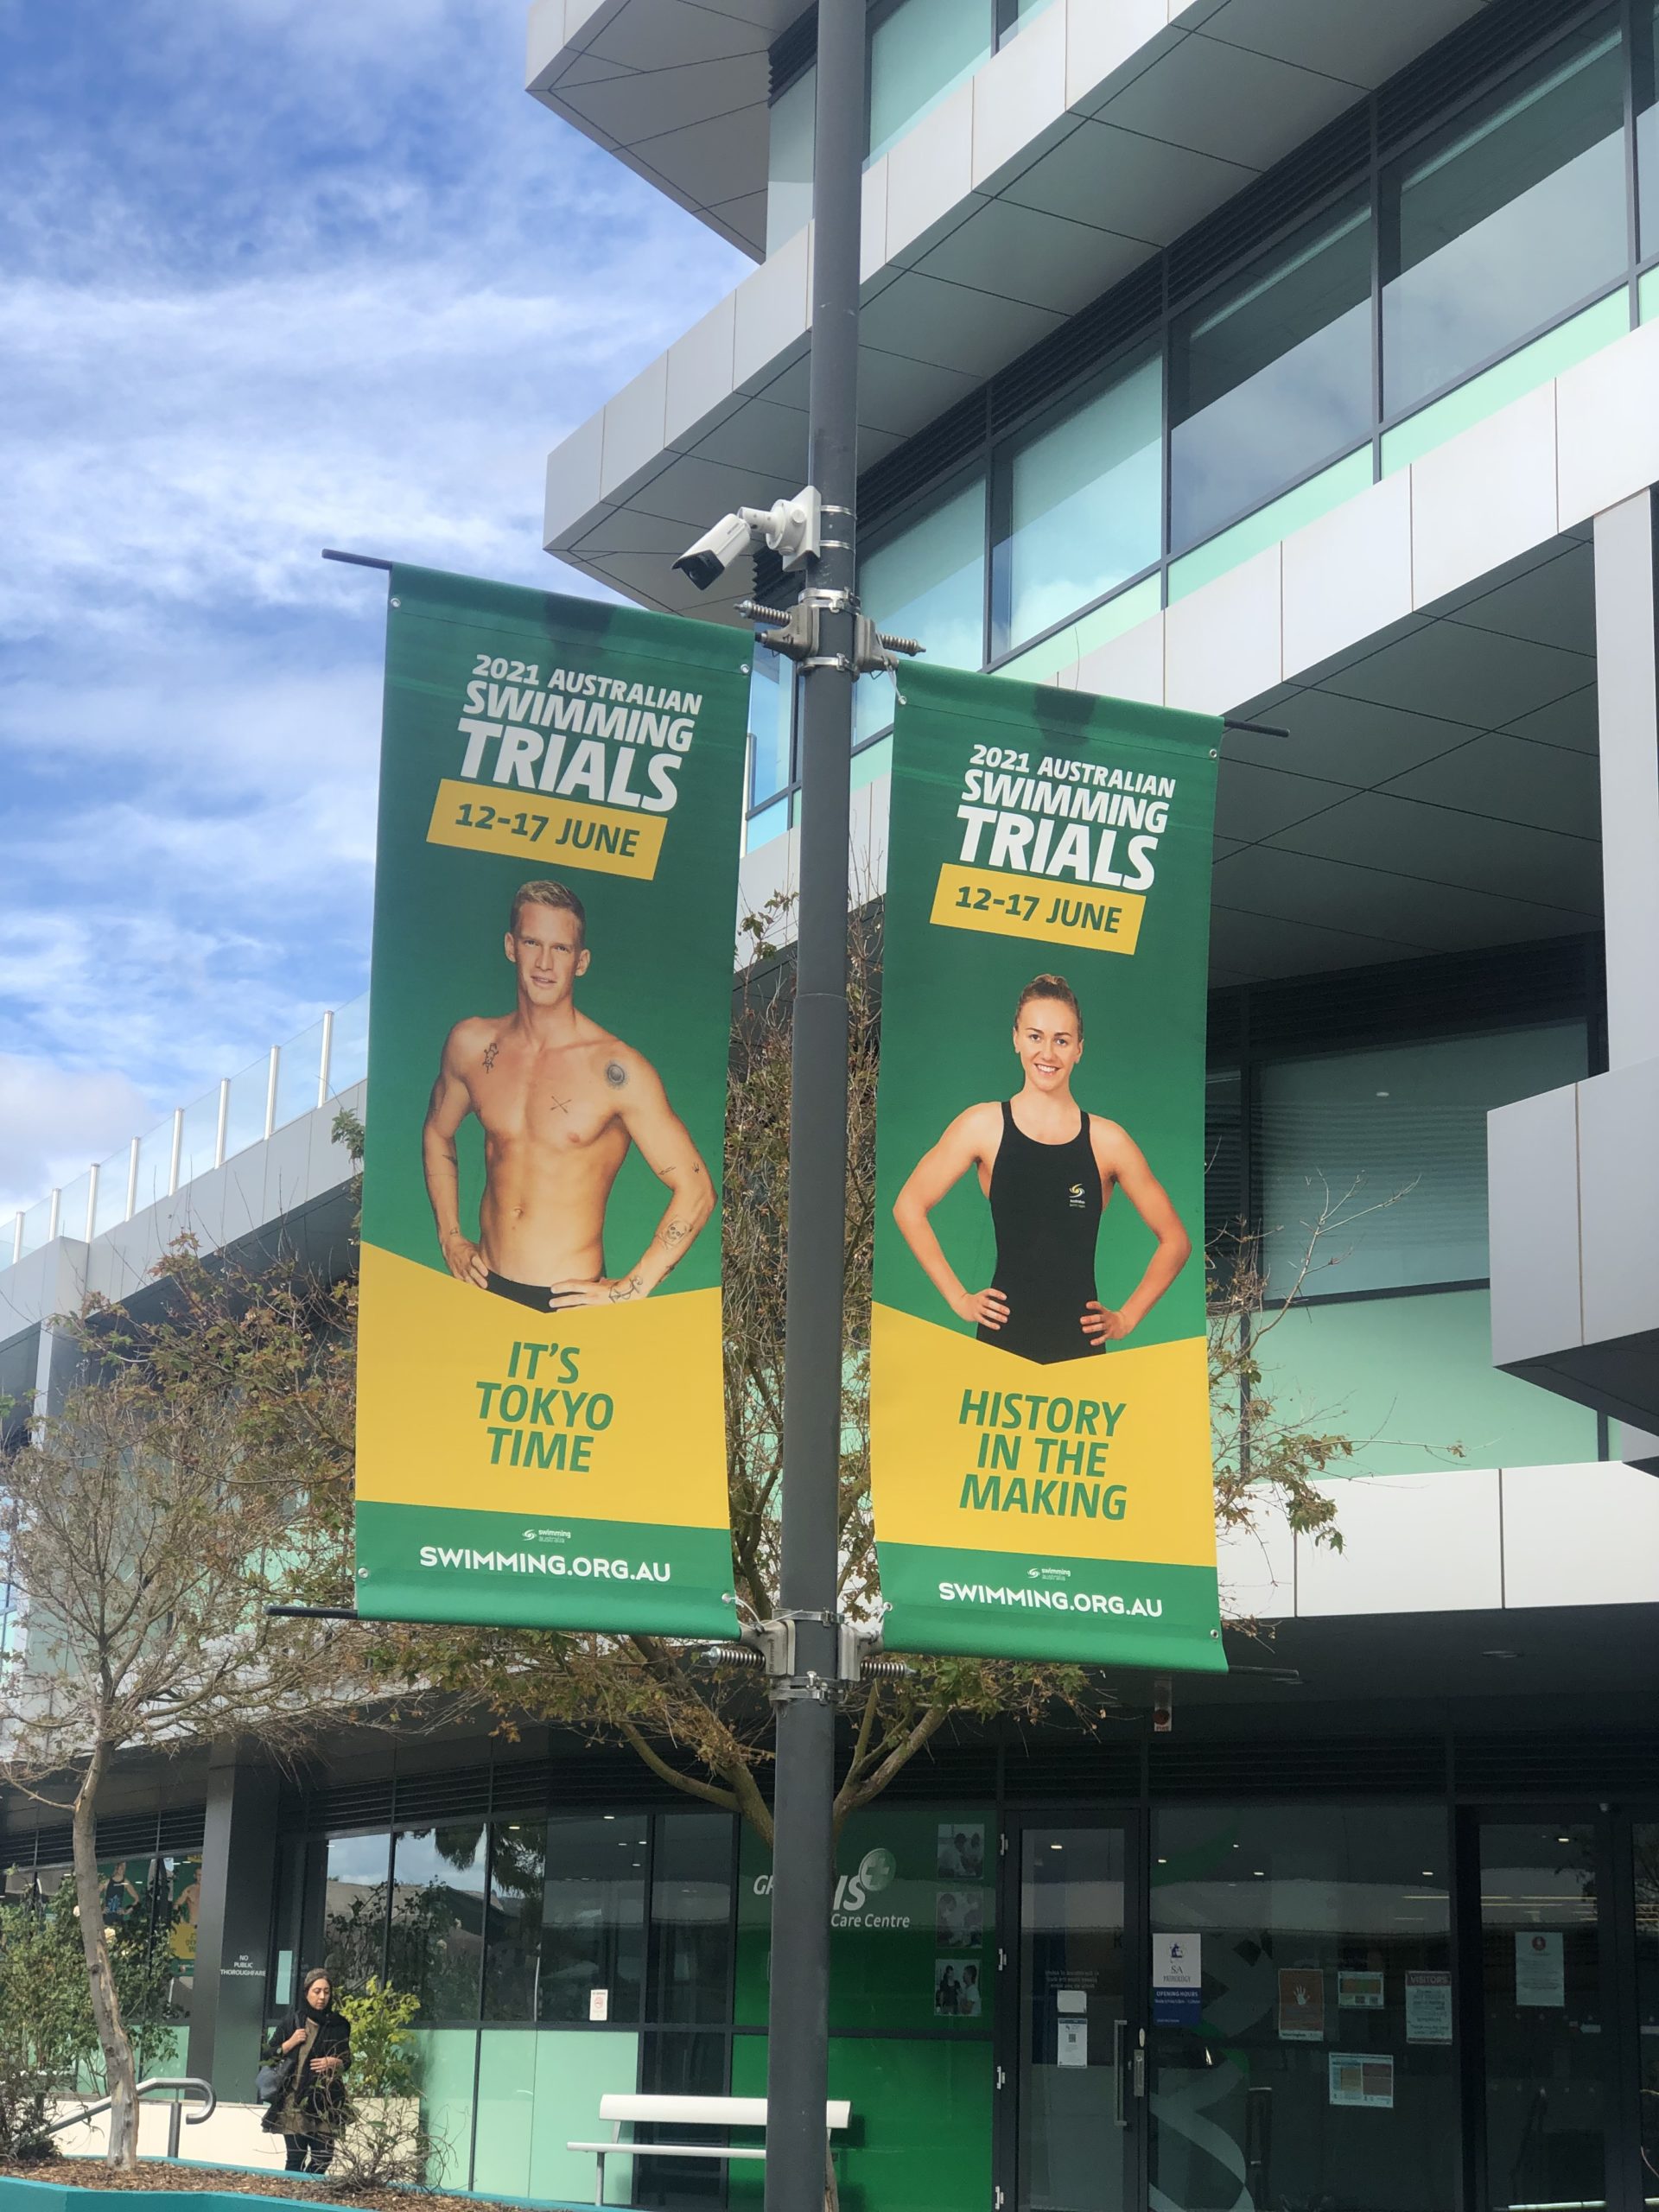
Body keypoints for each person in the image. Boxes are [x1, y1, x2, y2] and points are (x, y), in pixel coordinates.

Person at [423, 880, 714, 1313]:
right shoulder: (471, 1044)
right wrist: (449, 1237)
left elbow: (696, 1189)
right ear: (510, 946)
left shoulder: (617, 1070)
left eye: (560, 949)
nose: (544, 962)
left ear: (581, 961)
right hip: (482, 1291)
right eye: (531, 942)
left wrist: (632, 1287)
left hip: (568, 1305)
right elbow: (437, 1133)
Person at [893, 974, 1191, 1366]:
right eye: (1035, 1037)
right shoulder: (983, 1126)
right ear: (1016, 1038)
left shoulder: (1108, 1141)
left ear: (1079, 1050)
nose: (1047, 1053)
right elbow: (908, 1206)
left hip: (1080, 1356)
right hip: (1001, 1350)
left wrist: (1127, 1317)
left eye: (1061, 1040)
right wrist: (958, 1298)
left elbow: (1176, 1241)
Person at [261, 1967, 352, 2175]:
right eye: (316, 1991)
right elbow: (267, 2055)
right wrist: (290, 2043)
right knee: (295, 2158)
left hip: (326, 2101)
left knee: (324, 2158)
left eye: (326, 1992)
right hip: (294, 2100)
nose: (322, 1997)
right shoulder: (291, 2022)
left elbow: (347, 2060)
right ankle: (289, 2203)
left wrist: (335, 2062)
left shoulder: (339, 2025)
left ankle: (307, 2195)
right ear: (307, 1992)